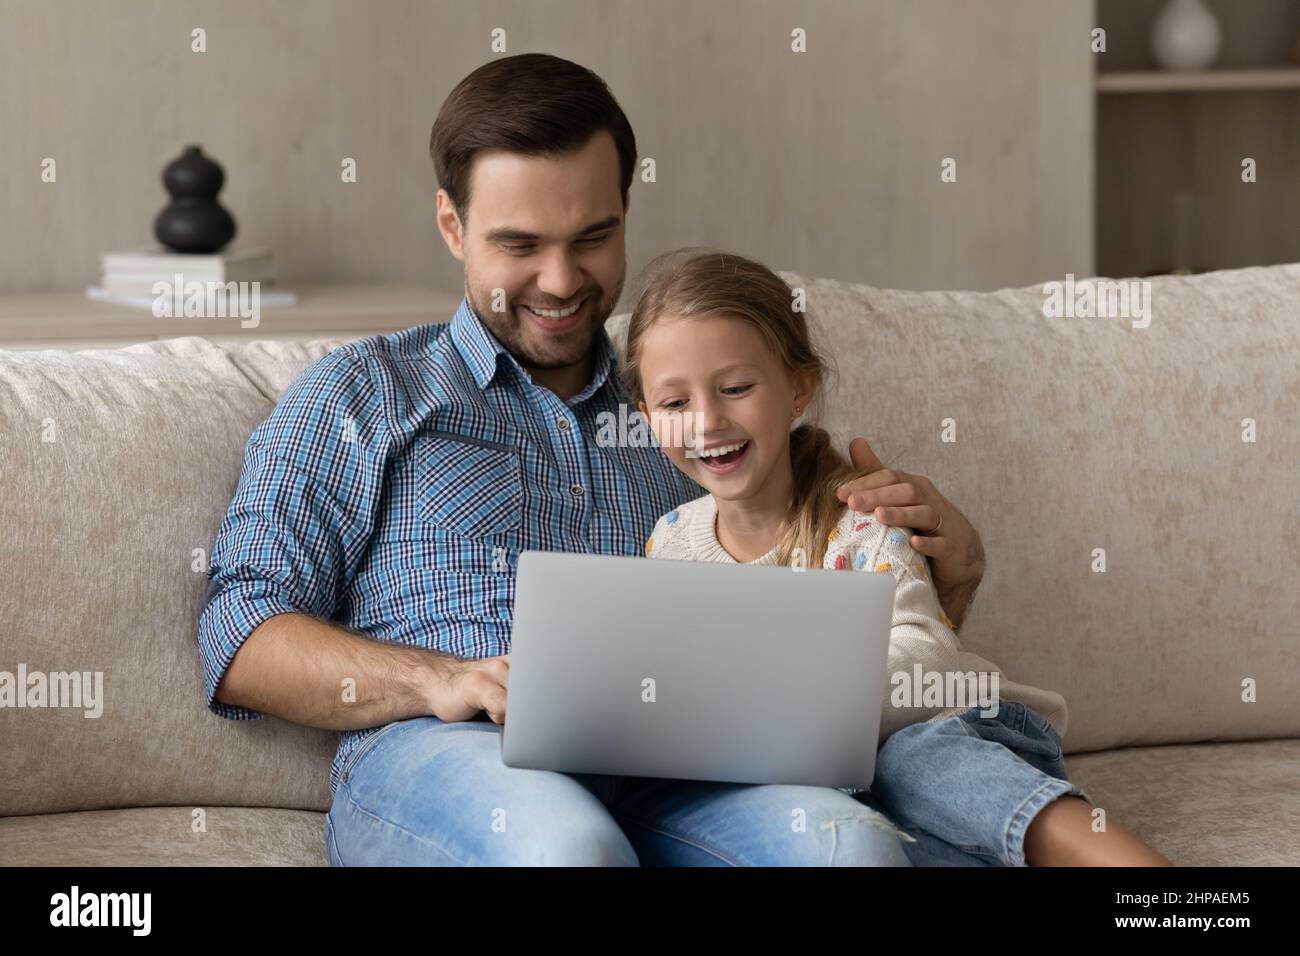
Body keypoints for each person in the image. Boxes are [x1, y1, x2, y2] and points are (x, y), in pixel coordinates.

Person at [198, 53, 986, 866]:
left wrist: (953, 572)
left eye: (593, 238)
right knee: (565, 850)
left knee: (849, 850)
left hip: (685, 765)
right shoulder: (366, 393)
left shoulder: (685, 402)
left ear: (625, 210)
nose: (561, 280)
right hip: (455, 755)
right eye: (520, 245)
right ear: (452, 227)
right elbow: (239, 636)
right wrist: (437, 680)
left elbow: (830, 609)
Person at [628, 248, 1172, 866]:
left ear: (798, 389)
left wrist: (788, 695)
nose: (707, 420)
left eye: (735, 388)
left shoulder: (859, 518)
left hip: (957, 730)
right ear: (646, 419)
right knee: (855, 824)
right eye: (675, 404)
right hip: (845, 784)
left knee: (908, 761)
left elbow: (926, 656)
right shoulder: (668, 540)